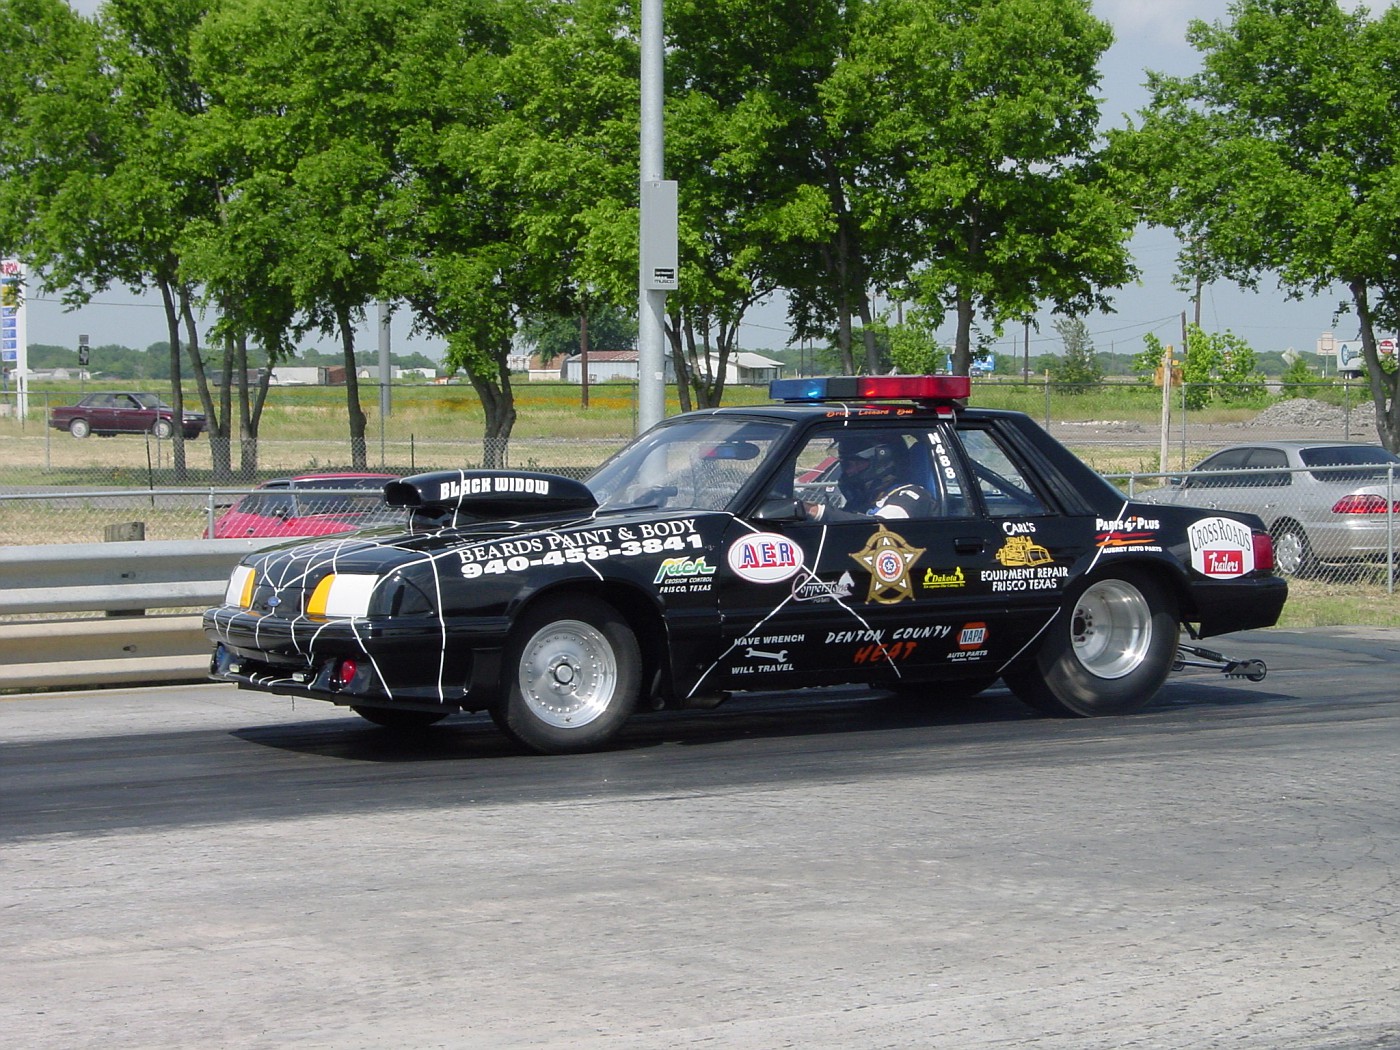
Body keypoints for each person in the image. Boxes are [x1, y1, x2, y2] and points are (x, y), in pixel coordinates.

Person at [803, 433, 939, 521]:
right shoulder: (863, 500)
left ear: (883, 461)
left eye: (858, 463)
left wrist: (814, 510)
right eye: (846, 464)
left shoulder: (912, 495)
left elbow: (880, 527)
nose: (850, 470)